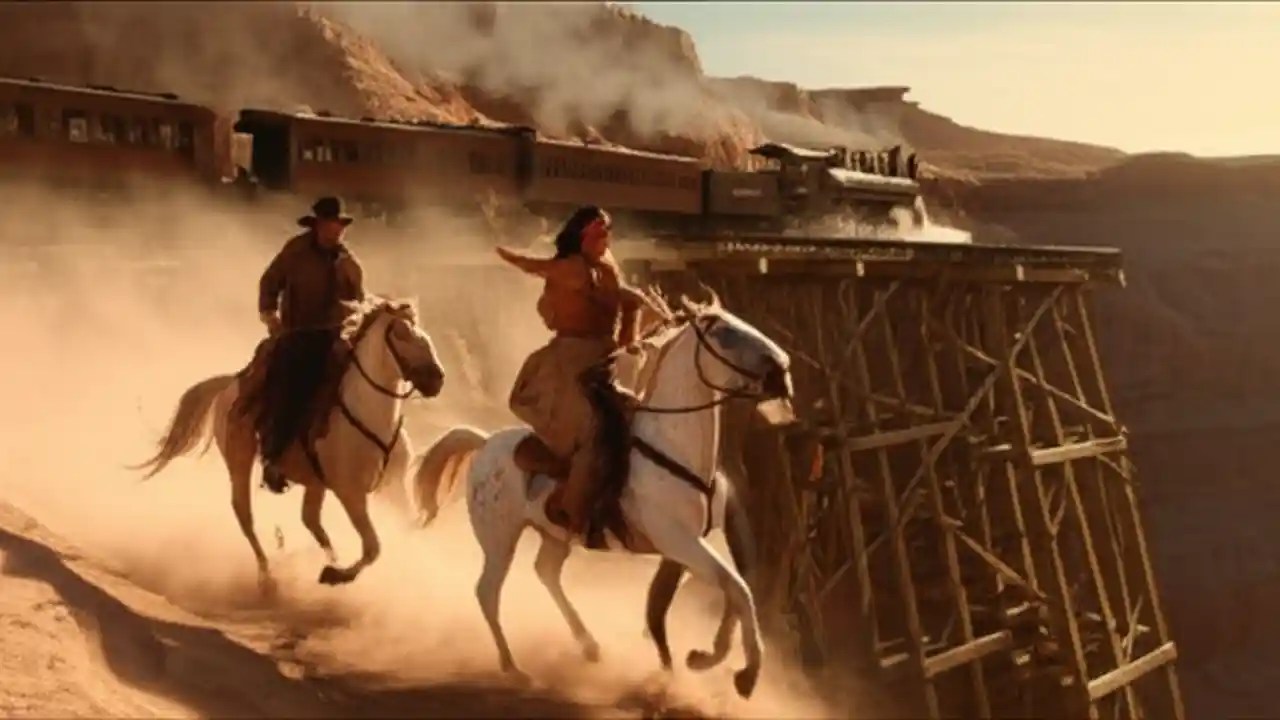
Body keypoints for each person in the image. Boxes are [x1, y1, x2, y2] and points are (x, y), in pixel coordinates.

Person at [495, 206, 665, 544]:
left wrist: (635, 305)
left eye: (607, 233)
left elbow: (616, 309)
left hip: (606, 355)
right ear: (582, 237)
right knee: (593, 430)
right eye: (598, 234)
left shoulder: (607, 266)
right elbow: (536, 267)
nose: (605, 239)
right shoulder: (572, 267)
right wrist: (508, 256)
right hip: (570, 362)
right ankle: (573, 509)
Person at [253, 196, 366, 493]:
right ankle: (273, 458)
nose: (336, 231)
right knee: (288, 388)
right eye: (330, 224)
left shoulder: (349, 263)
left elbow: (359, 304)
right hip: (298, 334)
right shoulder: (295, 252)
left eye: (339, 225)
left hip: (336, 336)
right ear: (317, 225)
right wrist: (270, 316)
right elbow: (270, 282)